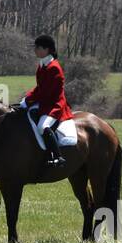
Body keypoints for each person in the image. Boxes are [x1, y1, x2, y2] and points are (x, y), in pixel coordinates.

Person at [18, 34, 74, 165]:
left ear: (47, 49)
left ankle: (57, 156)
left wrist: (29, 101)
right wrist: (26, 98)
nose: (35, 50)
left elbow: (46, 92)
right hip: (44, 102)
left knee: (43, 127)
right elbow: (39, 88)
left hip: (55, 105)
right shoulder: (42, 65)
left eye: (38, 47)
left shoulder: (53, 67)